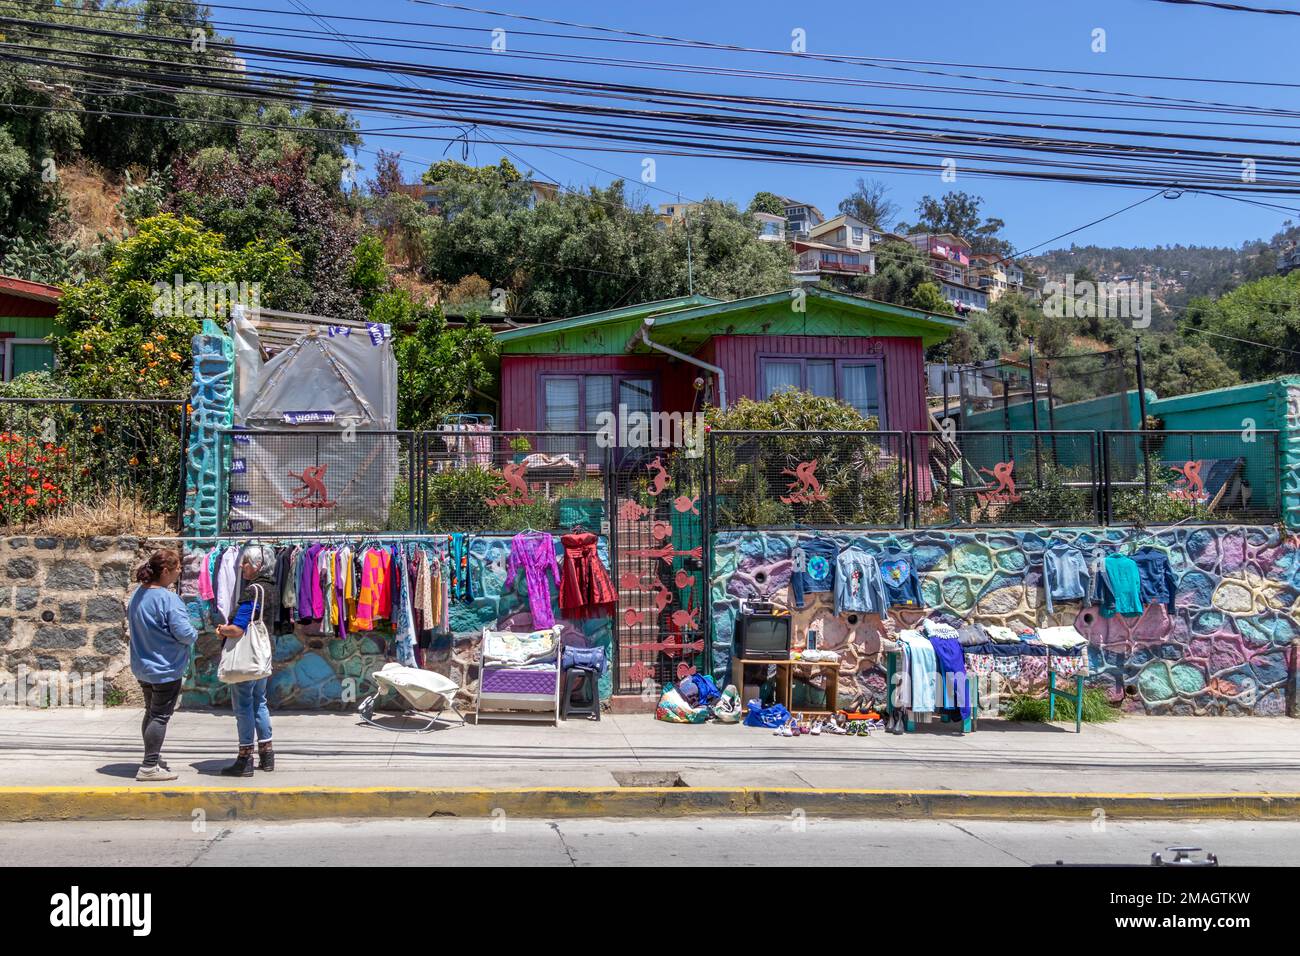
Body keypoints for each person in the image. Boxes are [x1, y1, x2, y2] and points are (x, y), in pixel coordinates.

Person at [127, 549, 198, 782]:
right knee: (159, 716)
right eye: (177, 568)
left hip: (143, 667)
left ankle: (151, 758)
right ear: (165, 571)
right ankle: (149, 766)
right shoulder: (168, 599)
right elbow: (184, 633)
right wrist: (195, 632)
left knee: (151, 712)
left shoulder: (138, 595)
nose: (180, 572)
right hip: (165, 669)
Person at [215, 543, 278, 776]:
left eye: (246, 563)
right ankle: (267, 755)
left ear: (258, 566)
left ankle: (244, 759)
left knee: (243, 705)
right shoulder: (271, 587)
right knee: (259, 701)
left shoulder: (252, 590)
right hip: (262, 654)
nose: (242, 566)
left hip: (246, 657)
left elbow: (238, 629)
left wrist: (222, 629)